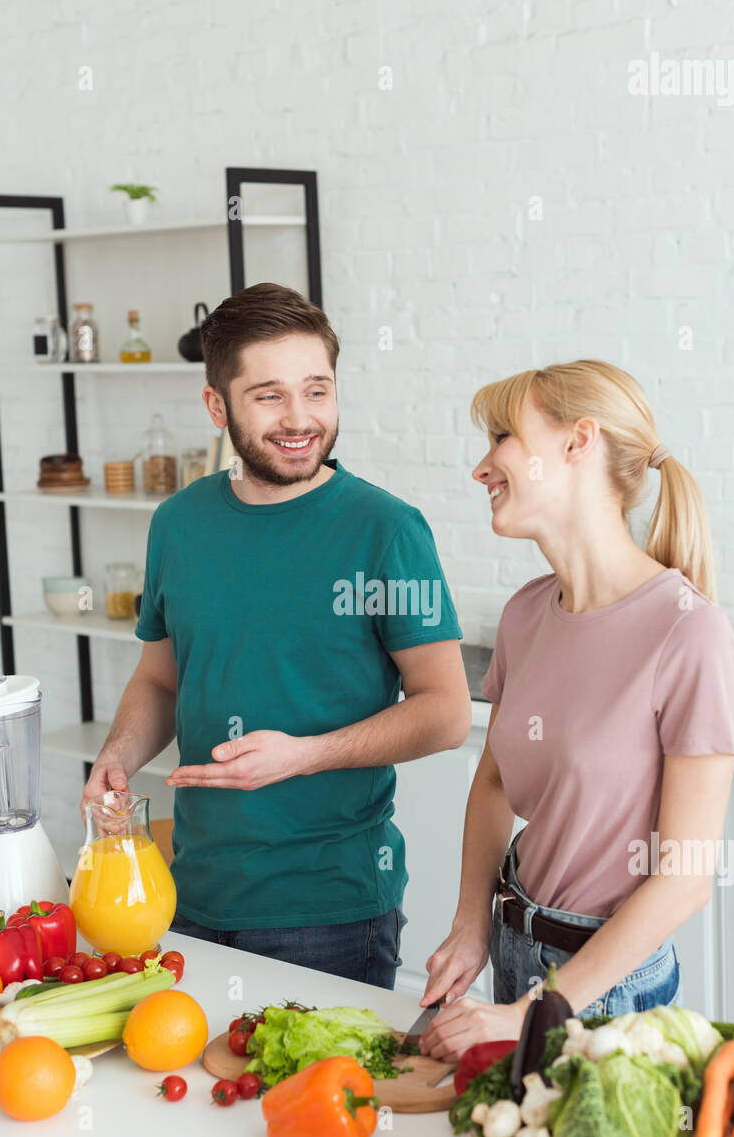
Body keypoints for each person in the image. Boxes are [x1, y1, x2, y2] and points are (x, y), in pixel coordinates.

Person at [80, 283, 470, 987]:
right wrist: (118, 753)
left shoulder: (384, 529)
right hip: (190, 890)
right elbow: (161, 678)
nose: (299, 419)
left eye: (316, 391)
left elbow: (445, 712)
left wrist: (305, 755)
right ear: (216, 406)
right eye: (268, 396)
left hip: (329, 911)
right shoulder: (178, 523)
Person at [419, 359, 734, 1059]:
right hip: (512, 953)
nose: (481, 468)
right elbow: (496, 783)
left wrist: (536, 1010)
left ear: (577, 443)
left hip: (605, 992)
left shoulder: (687, 631)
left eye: (502, 436)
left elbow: (684, 877)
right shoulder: (526, 613)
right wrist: (471, 926)